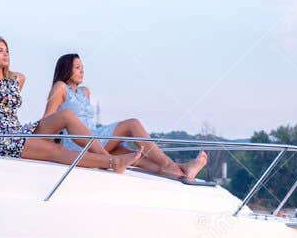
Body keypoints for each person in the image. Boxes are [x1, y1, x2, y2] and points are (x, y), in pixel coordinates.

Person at [0, 37, 139, 172]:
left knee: (66, 115)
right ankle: (113, 163)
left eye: (7, 50)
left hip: (20, 130)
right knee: (53, 151)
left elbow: (8, 110)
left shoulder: (18, 79)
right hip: (1, 138)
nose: (6, 54)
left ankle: (104, 156)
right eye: (0, 50)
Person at [43, 53, 207, 181]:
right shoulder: (60, 87)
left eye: (82, 67)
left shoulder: (85, 91)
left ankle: (180, 170)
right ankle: (169, 165)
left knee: (134, 156)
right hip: (78, 143)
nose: (82, 70)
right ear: (66, 69)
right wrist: (49, 150)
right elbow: (48, 120)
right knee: (132, 124)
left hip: (95, 136)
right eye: (77, 67)